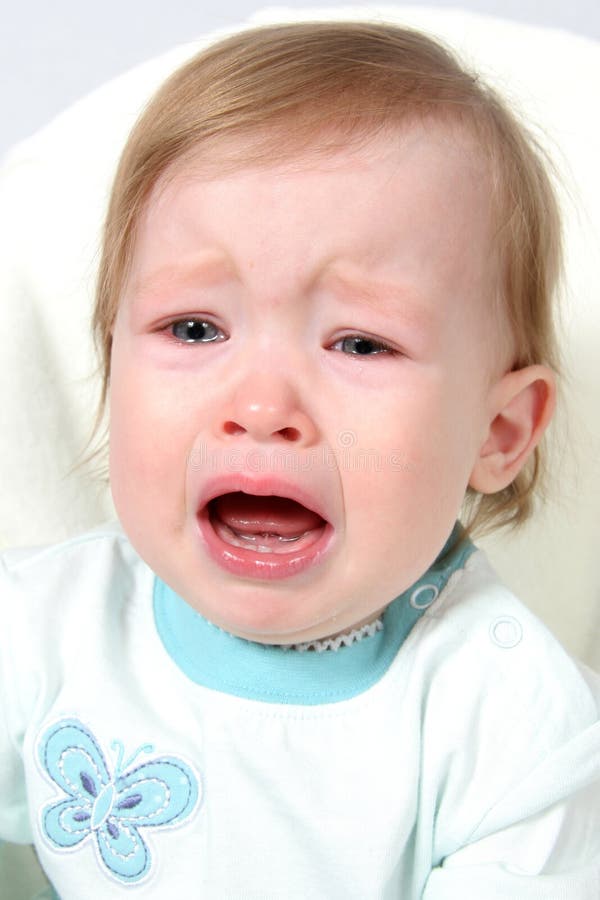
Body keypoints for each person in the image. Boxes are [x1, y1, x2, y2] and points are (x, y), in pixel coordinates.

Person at [1, 20, 599, 899]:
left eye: (360, 343)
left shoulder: (515, 727)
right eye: (194, 328)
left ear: (497, 432)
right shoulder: (38, 630)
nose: (261, 409)